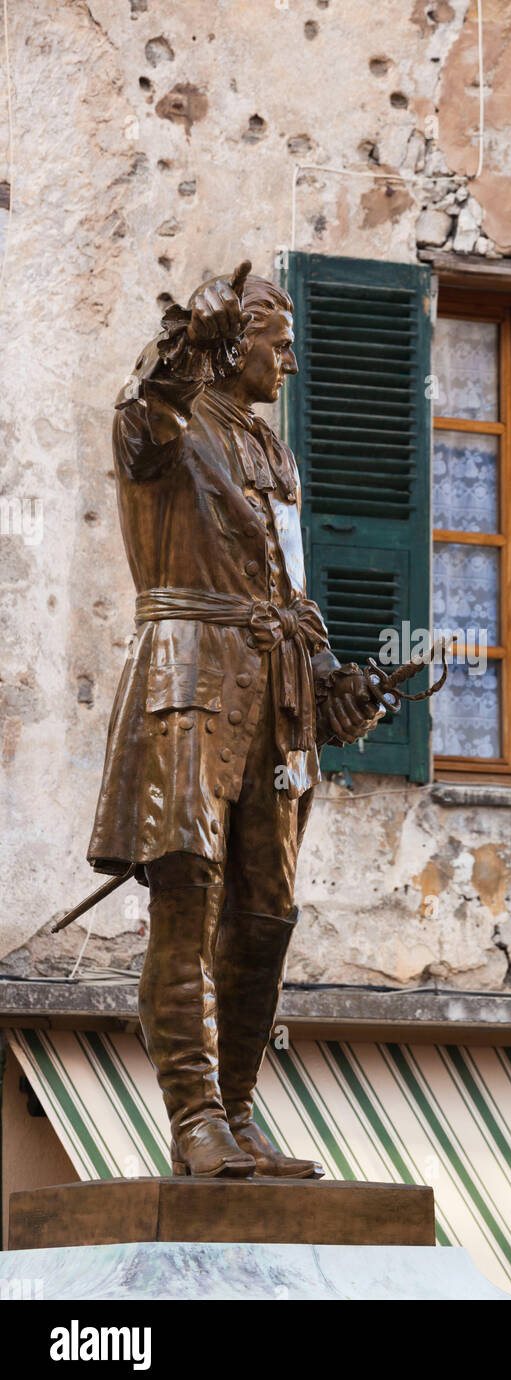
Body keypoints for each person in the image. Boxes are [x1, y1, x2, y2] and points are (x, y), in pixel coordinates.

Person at [88, 261, 385, 1178]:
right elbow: (145, 406)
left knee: (268, 910)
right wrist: (190, 336)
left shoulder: (273, 452)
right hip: (190, 678)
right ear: (234, 340)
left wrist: (336, 675)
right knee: (191, 890)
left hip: (279, 693)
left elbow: (288, 580)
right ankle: (196, 1121)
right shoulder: (163, 422)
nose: (290, 362)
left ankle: (243, 1114)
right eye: (279, 343)